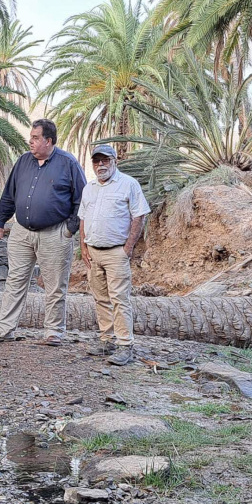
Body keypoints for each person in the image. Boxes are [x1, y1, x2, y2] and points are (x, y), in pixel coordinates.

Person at [0, 119, 86, 346]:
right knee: (15, 281)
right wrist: (0, 221)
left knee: (55, 284)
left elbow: (82, 201)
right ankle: (4, 328)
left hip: (55, 233)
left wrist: (69, 230)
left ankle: (53, 332)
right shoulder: (23, 162)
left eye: (36, 138)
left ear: (49, 141)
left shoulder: (68, 163)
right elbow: (8, 194)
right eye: (31, 137)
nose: (31, 141)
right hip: (21, 232)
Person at [78, 144, 150, 365]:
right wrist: (83, 247)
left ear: (115, 161)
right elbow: (83, 218)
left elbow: (139, 216)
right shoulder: (88, 188)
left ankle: (125, 345)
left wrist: (128, 249)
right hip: (93, 252)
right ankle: (106, 340)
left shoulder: (128, 184)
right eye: (96, 161)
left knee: (119, 299)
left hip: (116, 252)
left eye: (105, 160)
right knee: (100, 298)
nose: (100, 165)